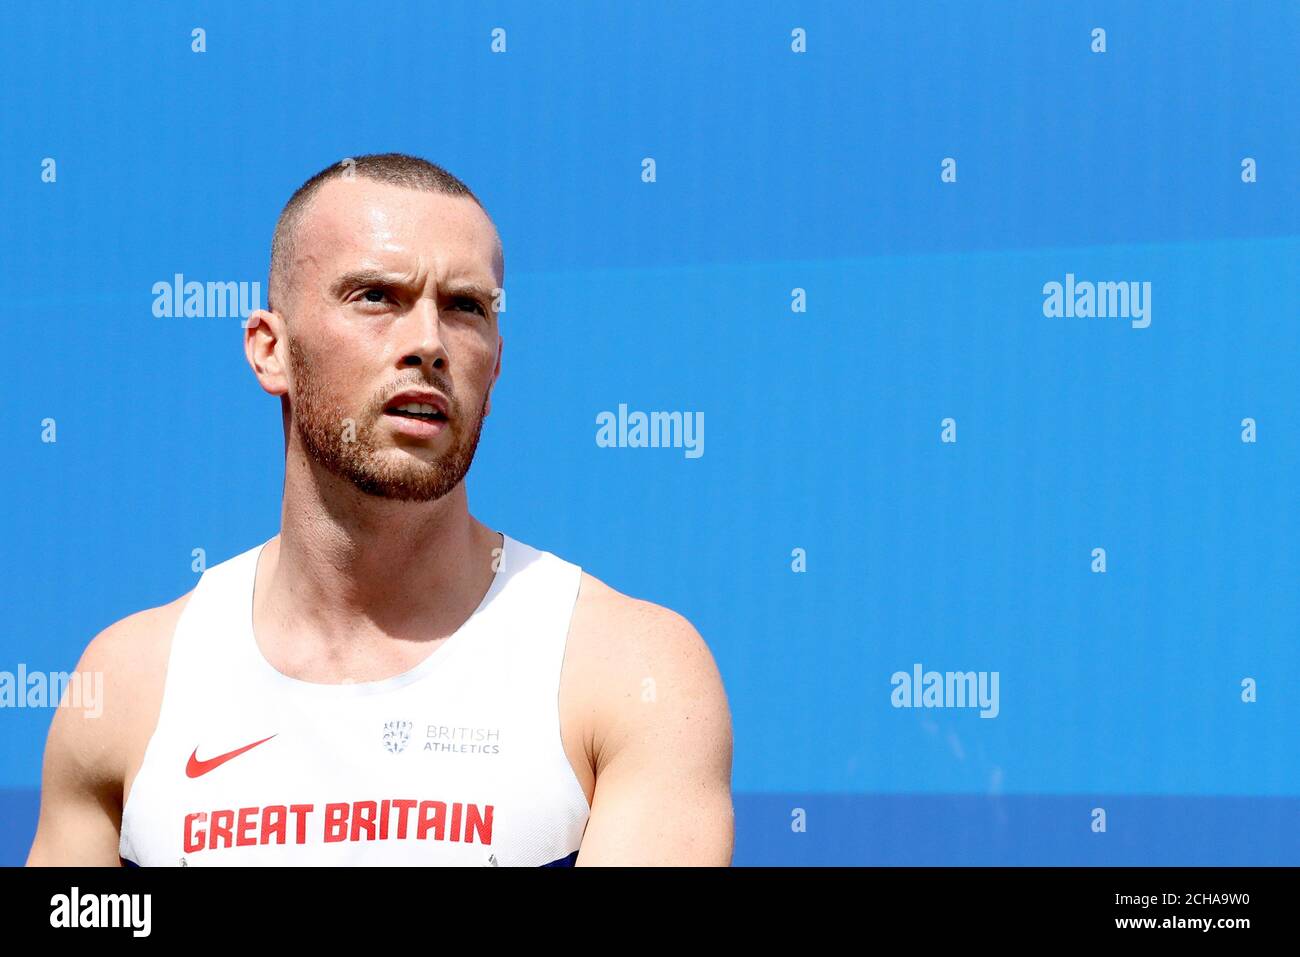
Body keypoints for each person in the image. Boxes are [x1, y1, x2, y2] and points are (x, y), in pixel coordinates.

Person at [26, 153, 734, 866]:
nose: (427, 343)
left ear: (495, 364)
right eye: (376, 297)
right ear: (270, 350)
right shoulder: (127, 685)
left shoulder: (627, 671)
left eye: (465, 307)